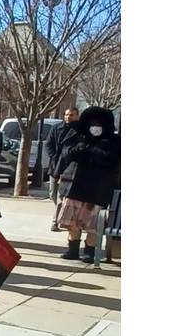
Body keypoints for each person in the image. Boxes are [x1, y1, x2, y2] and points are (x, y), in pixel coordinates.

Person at [54, 106, 120, 264]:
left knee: (93, 224)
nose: (95, 127)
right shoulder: (78, 135)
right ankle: (73, 249)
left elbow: (112, 159)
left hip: (97, 190)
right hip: (74, 187)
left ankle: (90, 251)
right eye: (92, 123)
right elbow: (66, 153)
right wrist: (82, 148)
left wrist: (93, 152)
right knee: (71, 221)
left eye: (99, 123)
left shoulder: (113, 141)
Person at [45, 107, 80, 231]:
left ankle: (56, 221)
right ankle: (60, 216)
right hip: (55, 166)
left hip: (69, 168)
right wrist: (54, 157)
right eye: (66, 115)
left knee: (61, 196)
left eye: (71, 115)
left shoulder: (79, 130)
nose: (68, 117)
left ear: (77, 116)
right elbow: (48, 144)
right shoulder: (57, 128)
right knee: (53, 194)